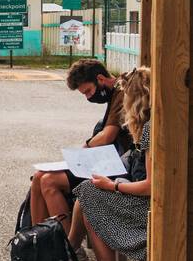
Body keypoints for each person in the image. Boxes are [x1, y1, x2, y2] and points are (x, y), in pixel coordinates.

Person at [29, 59, 130, 235]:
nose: (89, 97)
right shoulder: (115, 93)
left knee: (49, 181)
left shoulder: (121, 93)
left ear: (100, 78)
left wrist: (84, 148)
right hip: (109, 158)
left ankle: (70, 250)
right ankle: (37, 241)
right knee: (38, 176)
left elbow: (108, 135)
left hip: (119, 165)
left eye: (89, 91)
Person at [70, 66, 152, 261]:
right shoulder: (152, 126)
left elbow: (151, 185)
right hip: (147, 200)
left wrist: (112, 185)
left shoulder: (150, 131)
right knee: (88, 191)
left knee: (90, 196)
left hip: (148, 208)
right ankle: (73, 254)